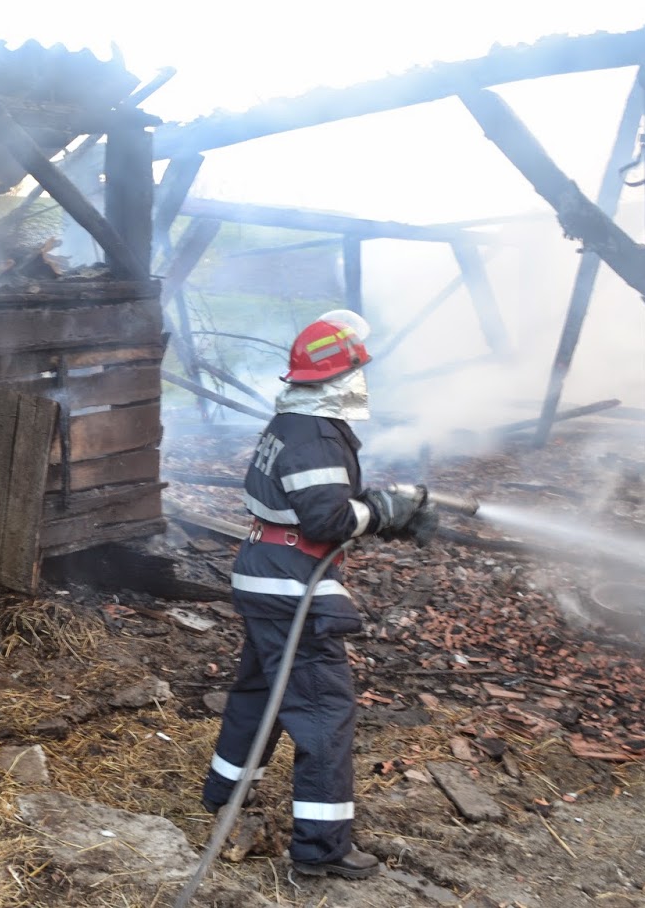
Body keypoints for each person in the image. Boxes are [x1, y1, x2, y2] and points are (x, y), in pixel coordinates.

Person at [199, 311, 436, 880]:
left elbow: (315, 504)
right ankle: (321, 849)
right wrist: (381, 511)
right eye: (356, 371)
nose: (362, 381)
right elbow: (326, 518)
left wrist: (388, 516)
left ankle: (225, 793)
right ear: (337, 377)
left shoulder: (293, 424)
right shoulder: (316, 435)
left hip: (265, 573)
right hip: (290, 585)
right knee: (323, 711)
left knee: (260, 693)